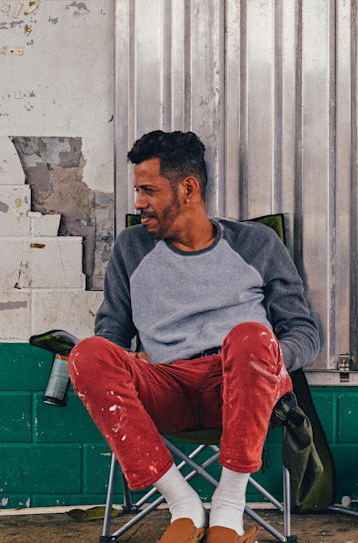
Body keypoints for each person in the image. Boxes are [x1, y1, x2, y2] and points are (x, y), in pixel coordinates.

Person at [68, 131, 321, 543]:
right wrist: (106, 369)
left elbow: (304, 332)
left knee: (249, 337)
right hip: (168, 386)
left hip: (241, 383)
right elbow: (111, 334)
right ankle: (182, 504)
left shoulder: (256, 244)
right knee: (88, 354)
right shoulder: (131, 248)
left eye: (148, 191)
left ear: (188, 188)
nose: (138, 204)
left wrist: (266, 357)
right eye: (137, 191)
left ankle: (228, 508)